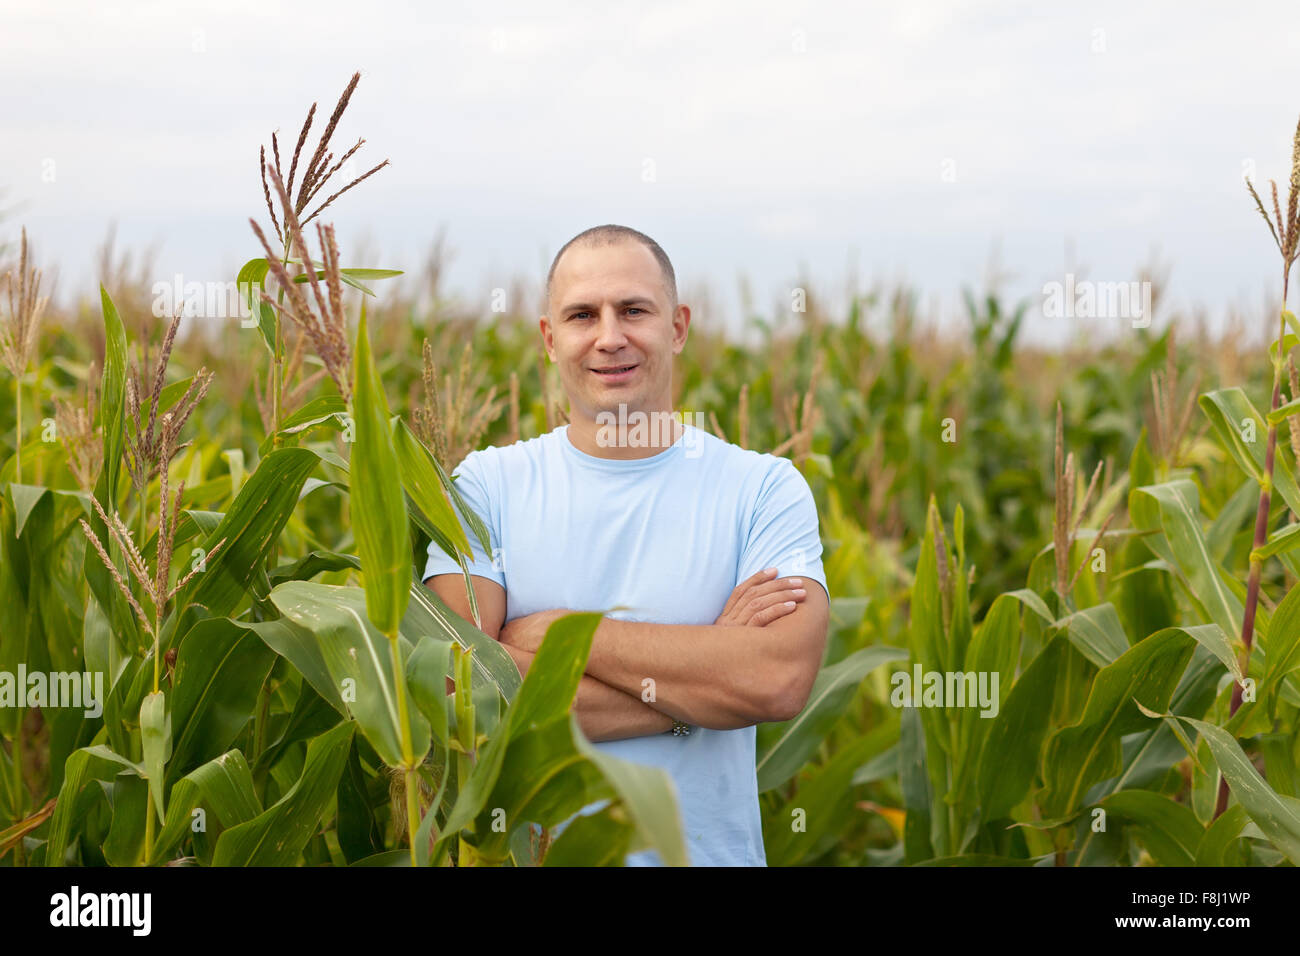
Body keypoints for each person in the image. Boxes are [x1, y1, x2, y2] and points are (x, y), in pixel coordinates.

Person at [422, 224, 830, 865]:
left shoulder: (763, 489)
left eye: (634, 310)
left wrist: (559, 637)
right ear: (550, 339)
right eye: (583, 315)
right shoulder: (485, 487)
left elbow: (776, 679)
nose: (609, 337)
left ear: (678, 326)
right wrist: (695, 696)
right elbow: (463, 696)